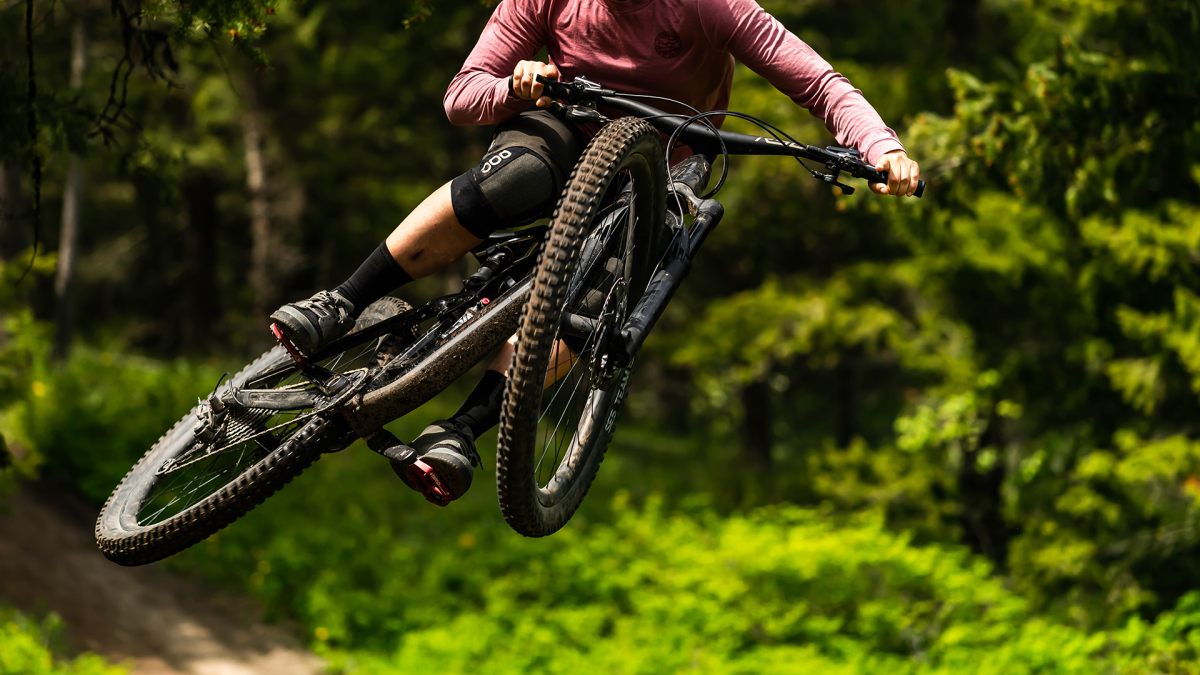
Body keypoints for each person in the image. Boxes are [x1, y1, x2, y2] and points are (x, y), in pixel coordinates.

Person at [270, 0, 922, 503]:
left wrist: (881, 148)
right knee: (510, 180)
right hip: (557, 126)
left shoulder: (707, 6)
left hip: (664, 162)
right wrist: (517, 89)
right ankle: (341, 301)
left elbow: (819, 82)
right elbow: (462, 97)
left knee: (603, 291)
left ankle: (460, 430)